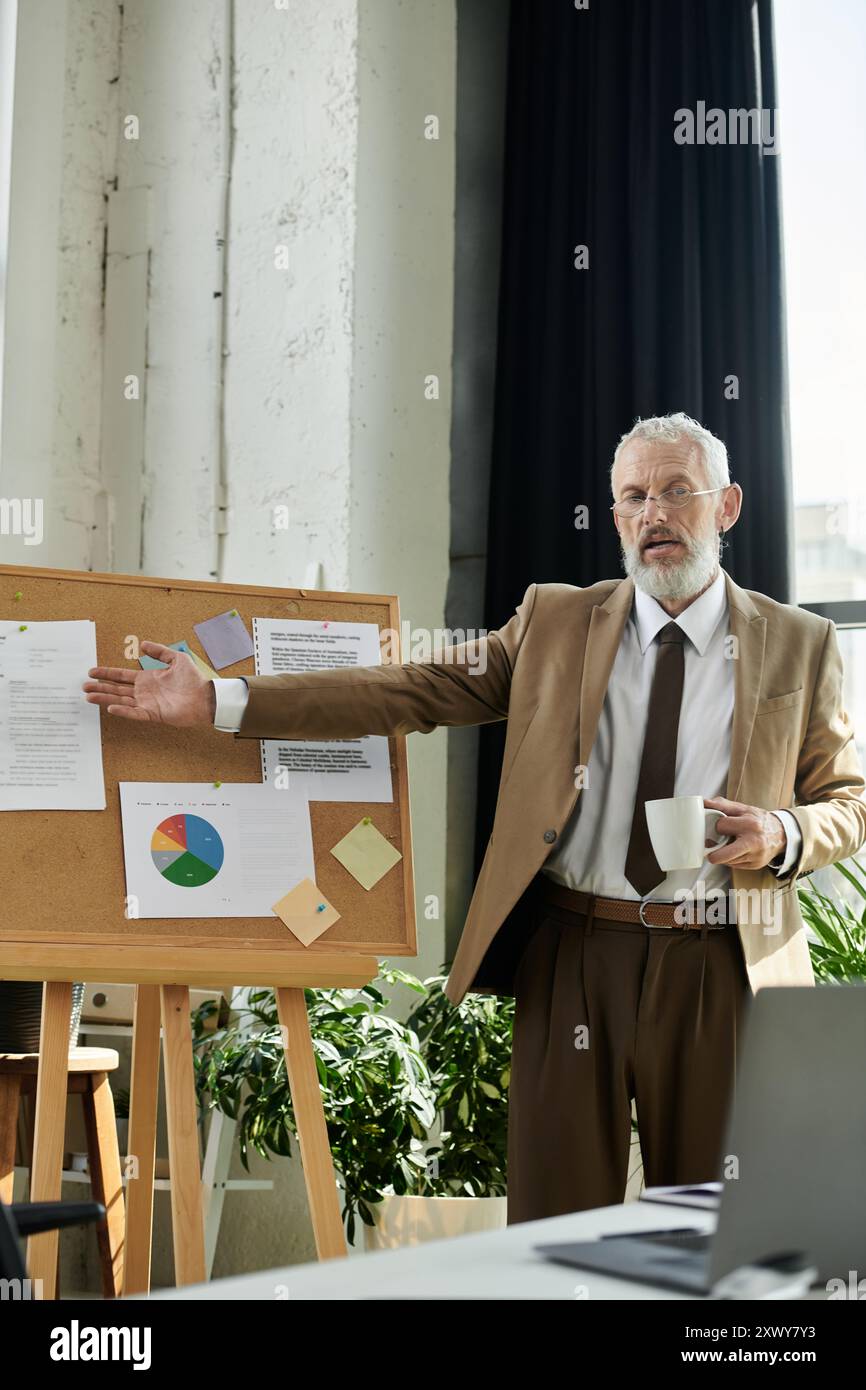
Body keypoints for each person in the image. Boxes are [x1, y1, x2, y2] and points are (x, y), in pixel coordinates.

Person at [83, 412, 866, 1223]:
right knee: (555, 1227)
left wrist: (784, 834)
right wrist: (220, 698)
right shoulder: (555, 622)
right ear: (614, 516)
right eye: (633, 497)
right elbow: (409, 687)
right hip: (572, 955)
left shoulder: (800, 643)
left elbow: (849, 800)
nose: (653, 516)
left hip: (721, 961)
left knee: (718, 1224)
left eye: (676, 492)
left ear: (727, 506)